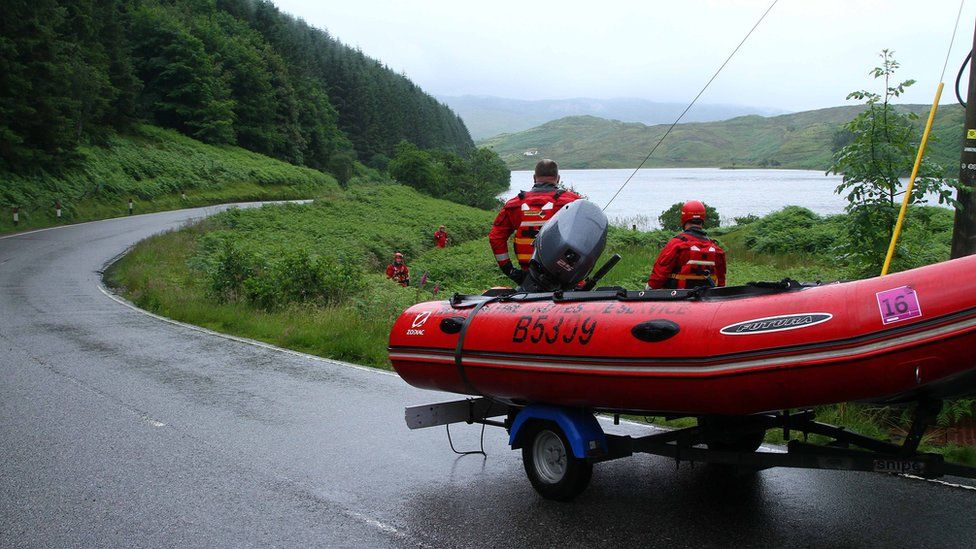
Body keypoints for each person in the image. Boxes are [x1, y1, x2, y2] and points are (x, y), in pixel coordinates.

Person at [489, 159, 581, 284]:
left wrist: (509, 270)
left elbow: (496, 238)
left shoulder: (514, 205)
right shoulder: (574, 203)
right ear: (558, 178)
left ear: (534, 178)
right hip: (567, 276)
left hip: (528, 278)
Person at [647, 200, 726, 289]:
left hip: (679, 295)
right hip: (707, 296)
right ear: (702, 219)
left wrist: (649, 288)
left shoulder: (676, 244)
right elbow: (721, 283)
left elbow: (659, 273)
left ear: (683, 218)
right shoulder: (716, 249)